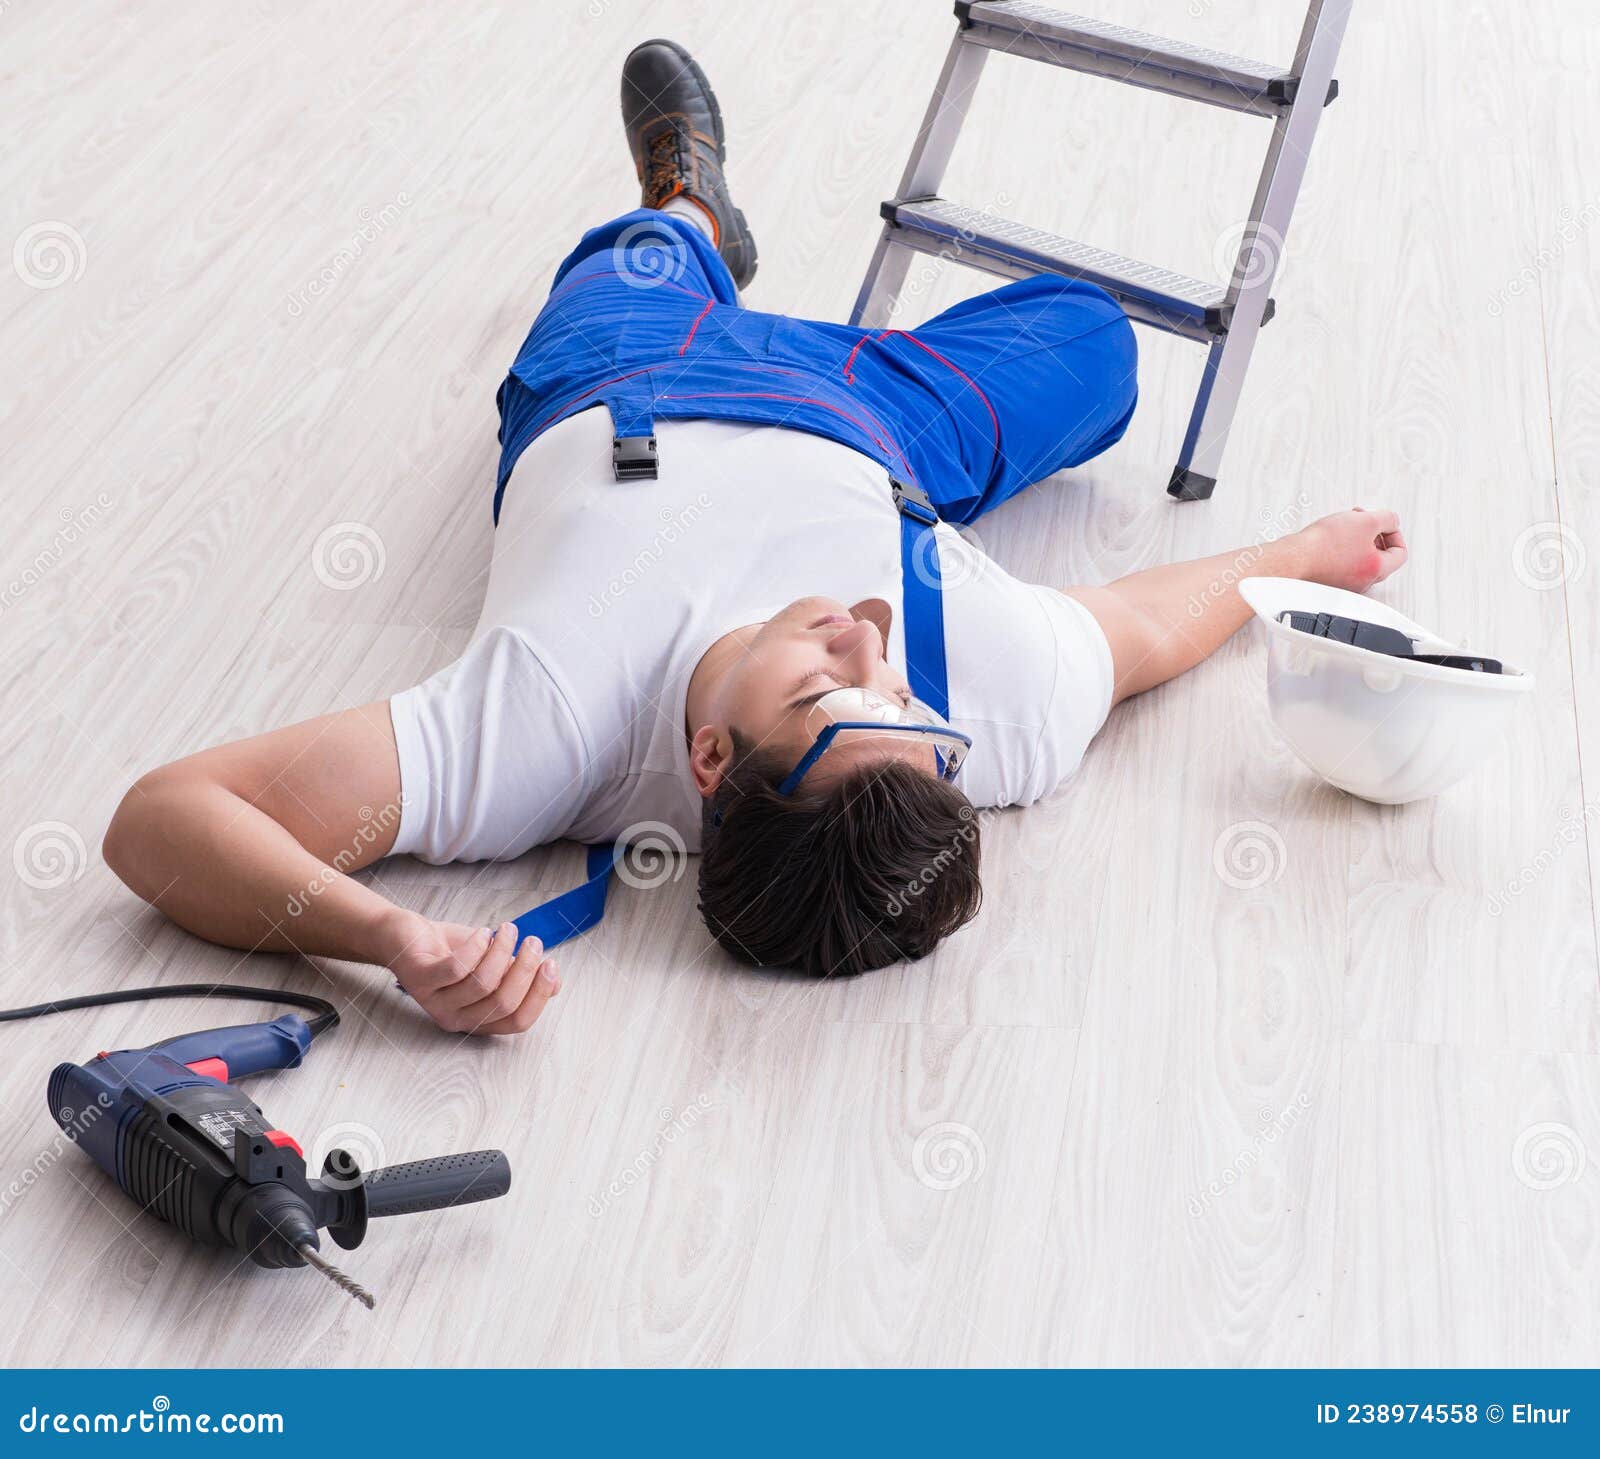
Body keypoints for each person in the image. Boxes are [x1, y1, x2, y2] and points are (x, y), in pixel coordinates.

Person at [102, 40, 1408, 1036]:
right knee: (1093, 342)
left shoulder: (544, 728)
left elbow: (162, 819)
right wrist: (1304, 555)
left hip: (633, 374)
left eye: (824, 687)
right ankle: (819, 319)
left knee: (635, 259)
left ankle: (690, 215)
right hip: (871, 420)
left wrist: (392, 939)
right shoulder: (1001, 711)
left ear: (709, 757)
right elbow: (1138, 630)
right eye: (900, 692)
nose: (871, 638)